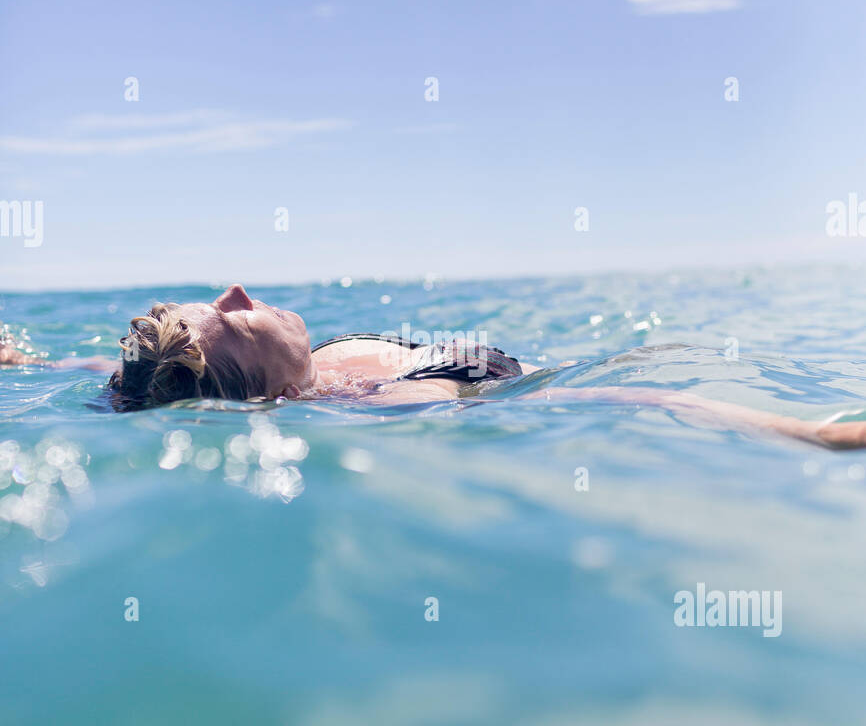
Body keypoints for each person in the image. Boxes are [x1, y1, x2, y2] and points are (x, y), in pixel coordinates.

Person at [2, 283, 866, 448]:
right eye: (232, 317)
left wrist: (25, 358)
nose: (237, 292)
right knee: (660, 364)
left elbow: (126, 382)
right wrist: (817, 434)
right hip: (538, 379)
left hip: (534, 359)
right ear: (258, 391)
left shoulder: (298, 378)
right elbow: (622, 395)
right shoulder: (369, 403)